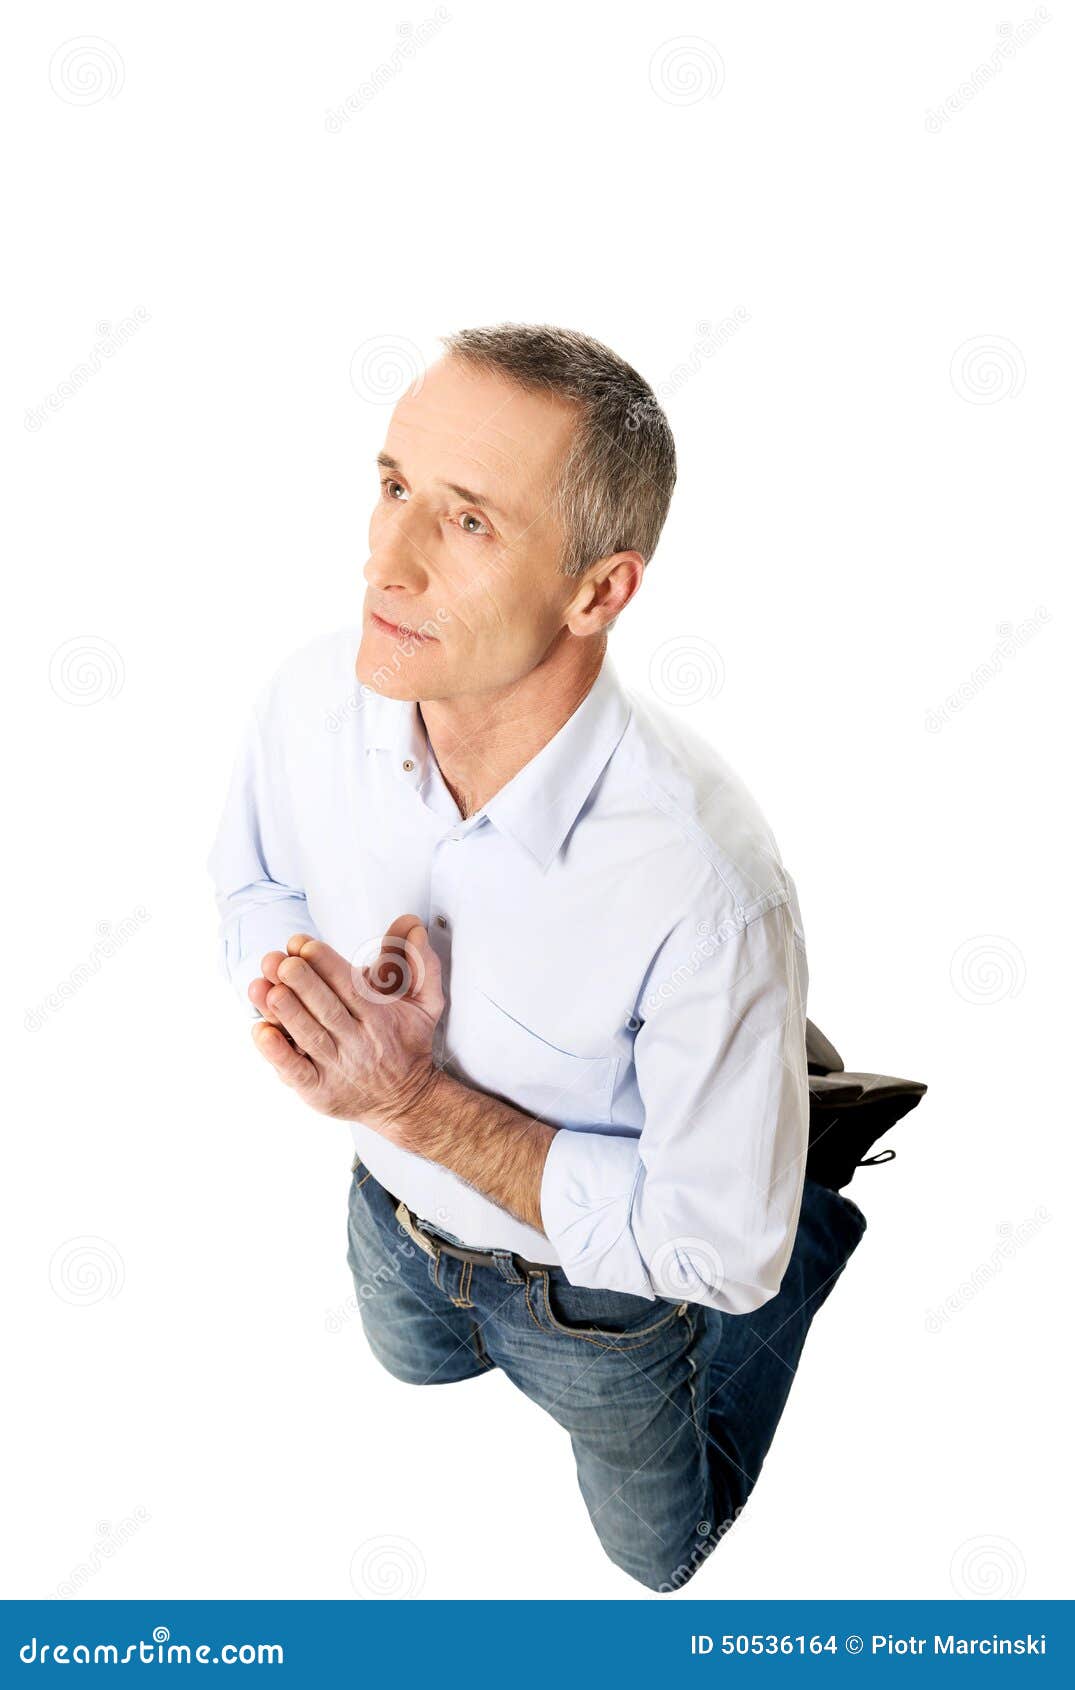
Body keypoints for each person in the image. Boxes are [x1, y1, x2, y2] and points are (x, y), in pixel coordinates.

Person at [207, 323, 867, 1591]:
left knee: (658, 1556)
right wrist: (324, 995)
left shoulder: (708, 889)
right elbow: (255, 874)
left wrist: (410, 1097)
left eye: (465, 523)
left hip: (603, 1303)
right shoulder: (310, 698)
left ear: (598, 591)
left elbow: (716, 1257)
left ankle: (810, 1172)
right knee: (413, 1364)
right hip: (391, 1215)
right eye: (392, 485)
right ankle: (752, 1092)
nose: (380, 561)